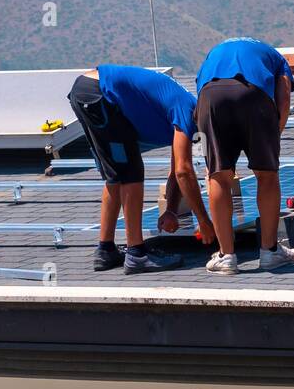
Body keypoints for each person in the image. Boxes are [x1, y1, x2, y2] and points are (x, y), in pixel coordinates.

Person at [67, 65, 214, 273]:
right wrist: (204, 221)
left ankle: (106, 250)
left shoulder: (189, 113)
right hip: (100, 94)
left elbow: (176, 172)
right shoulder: (187, 110)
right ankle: (137, 253)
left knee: (116, 175)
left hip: (87, 91)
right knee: (131, 173)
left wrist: (171, 210)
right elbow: (184, 171)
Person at [195, 38, 294, 274]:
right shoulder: (276, 57)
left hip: (209, 97)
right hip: (253, 96)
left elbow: (200, 102)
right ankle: (270, 252)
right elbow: (283, 97)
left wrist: (211, 161)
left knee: (219, 177)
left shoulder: (212, 54)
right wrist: (273, 137)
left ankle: (226, 256)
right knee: (266, 176)